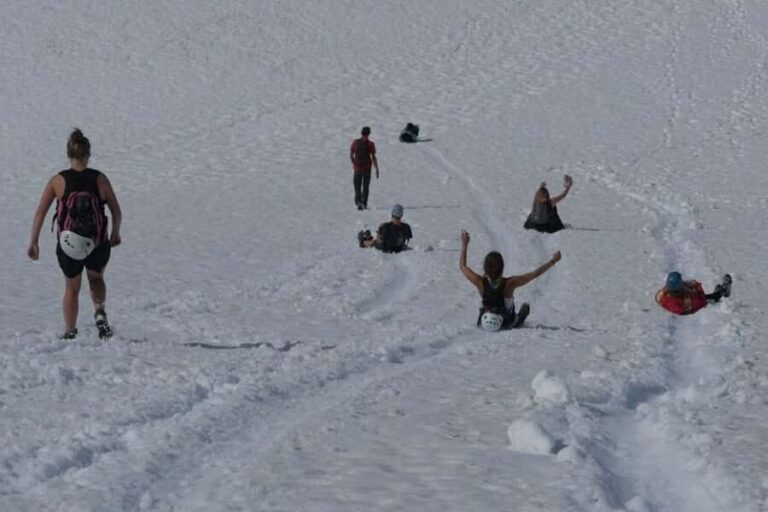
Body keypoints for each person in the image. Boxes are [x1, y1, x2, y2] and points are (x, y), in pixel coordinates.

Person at [27, 129, 122, 339]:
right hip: (97, 241)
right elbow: (116, 210)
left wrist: (34, 241)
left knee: (71, 287)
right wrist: (115, 233)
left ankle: (70, 331)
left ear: (69, 154)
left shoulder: (57, 181)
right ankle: (99, 311)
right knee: (96, 278)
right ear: (88, 155)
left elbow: (40, 212)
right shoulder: (100, 179)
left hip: (69, 243)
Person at [459, 230, 561, 331]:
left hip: (484, 320)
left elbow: (463, 266)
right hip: (506, 322)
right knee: (524, 310)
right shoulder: (510, 283)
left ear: (485, 267)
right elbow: (534, 274)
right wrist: (553, 261)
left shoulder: (479, 282)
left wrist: (465, 244)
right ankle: (522, 314)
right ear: (502, 267)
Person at [655, 272, 732, 315]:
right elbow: (700, 302)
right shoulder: (682, 301)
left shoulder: (665, 294)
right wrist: (695, 288)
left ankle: (718, 293)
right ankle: (723, 292)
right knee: (708, 299)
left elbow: (658, 297)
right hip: (694, 305)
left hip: (686, 303)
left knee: (703, 297)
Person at [349, 126, 379, 210]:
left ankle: (360, 202)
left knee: (359, 186)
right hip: (364, 168)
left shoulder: (355, 142)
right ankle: (361, 203)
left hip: (360, 168)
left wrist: (354, 162)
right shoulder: (370, 144)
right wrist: (376, 168)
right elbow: (373, 157)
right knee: (362, 186)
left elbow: (351, 154)